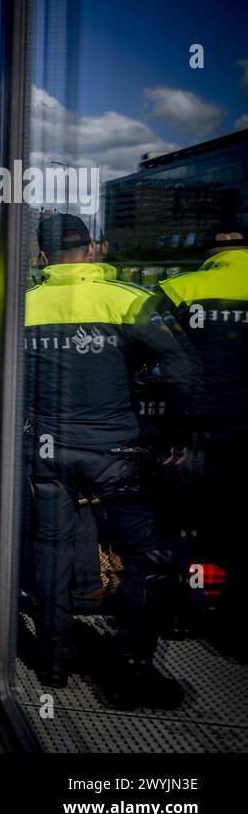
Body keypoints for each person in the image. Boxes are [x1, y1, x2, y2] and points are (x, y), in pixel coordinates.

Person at [24, 213, 195, 707]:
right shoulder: (129, 299)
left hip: (47, 448)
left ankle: (55, 662)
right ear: (94, 249)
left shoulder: (21, 305)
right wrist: (175, 433)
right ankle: (130, 674)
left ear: (41, 256)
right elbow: (183, 366)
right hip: (116, 450)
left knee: (51, 549)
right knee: (147, 559)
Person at [157, 218, 248, 649]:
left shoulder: (181, 289)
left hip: (198, 427)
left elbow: (150, 354)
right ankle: (236, 622)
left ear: (208, 251)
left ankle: (187, 608)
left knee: (188, 524)